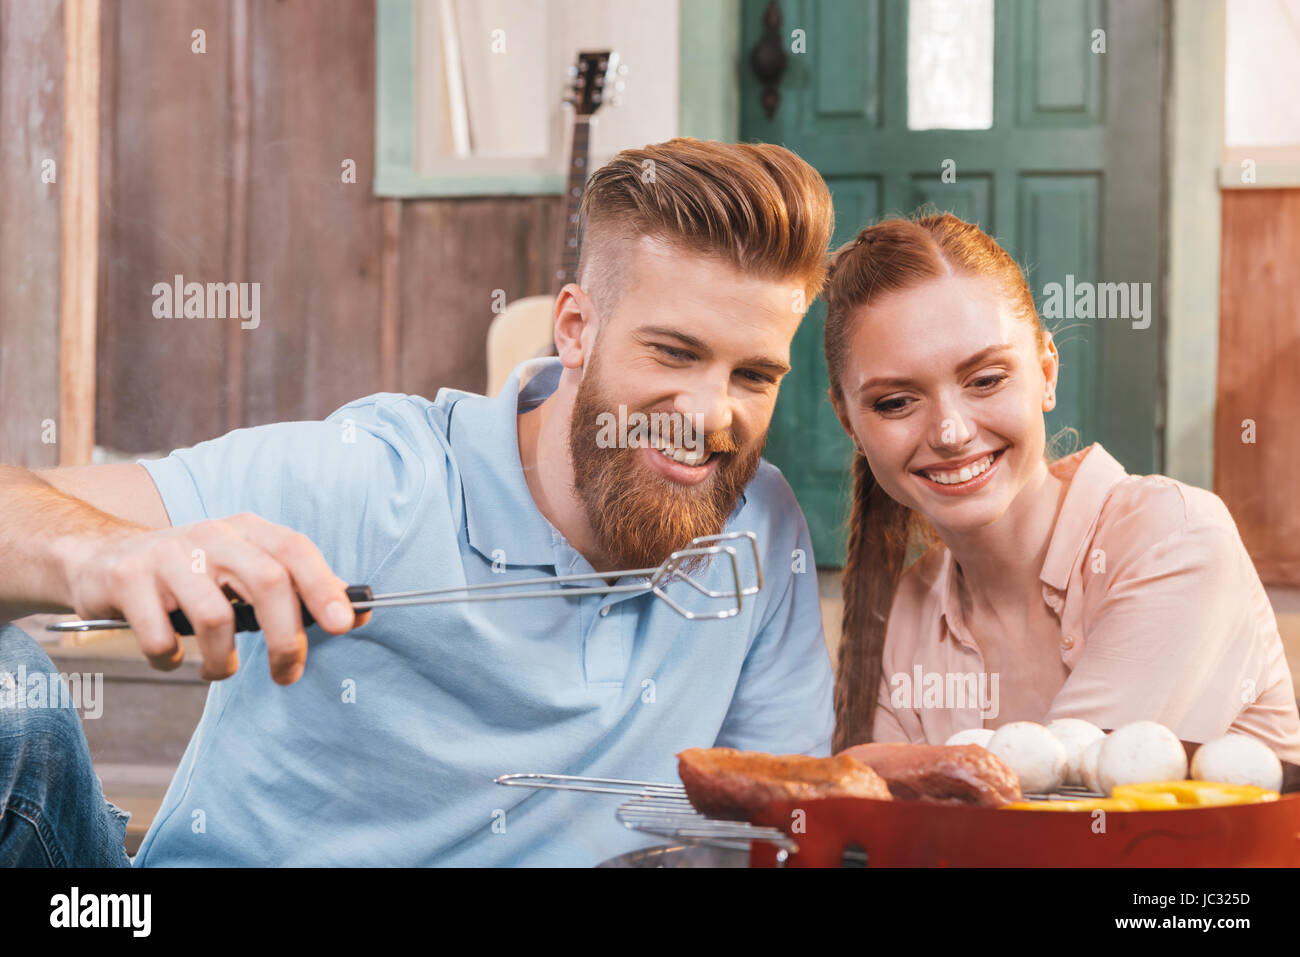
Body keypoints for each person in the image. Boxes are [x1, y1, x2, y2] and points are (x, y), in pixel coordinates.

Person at [0, 137, 837, 866]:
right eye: (674, 352)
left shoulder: (760, 526)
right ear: (576, 328)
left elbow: (780, 823)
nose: (710, 415)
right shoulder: (373, 479)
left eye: (754, 375)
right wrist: (101, 551)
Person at [822, 212, 1300, 764]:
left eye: (986, 380)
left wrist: (868, 770)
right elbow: (891, 833)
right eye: (896, 402)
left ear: (1047, 372)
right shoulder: (905, 609)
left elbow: (1066, 812)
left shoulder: (1176, 537)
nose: (950, 432)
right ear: (848, 422)